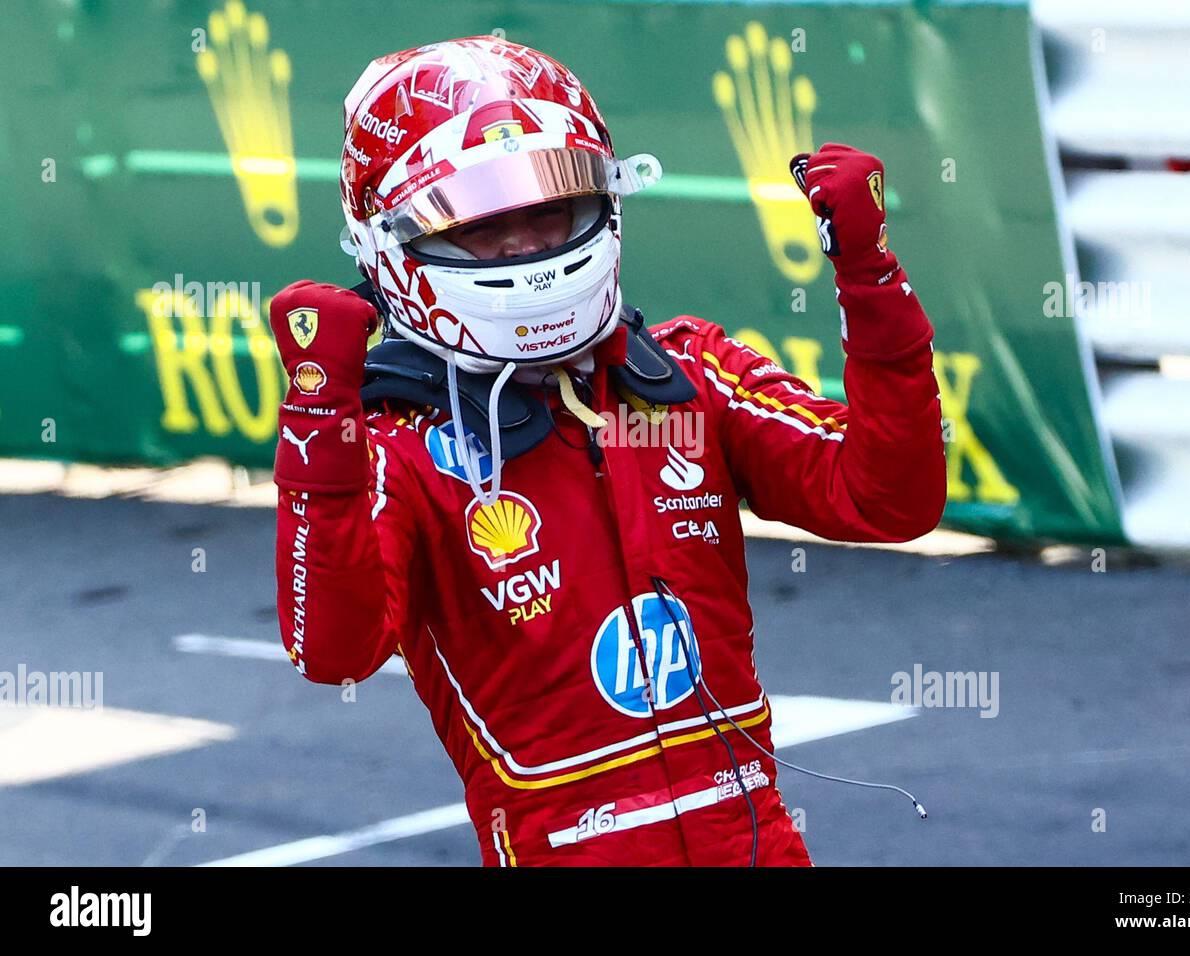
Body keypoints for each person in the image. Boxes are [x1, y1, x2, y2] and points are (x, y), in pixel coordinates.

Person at [269, 36, 946, 867]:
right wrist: (318, 429)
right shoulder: (395, 450)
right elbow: (331, 651)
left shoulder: (689, 379)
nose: (524, 245)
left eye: (547, 211)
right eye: (484, 227)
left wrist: (870, 282)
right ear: (392, 246)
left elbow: (889, 499)